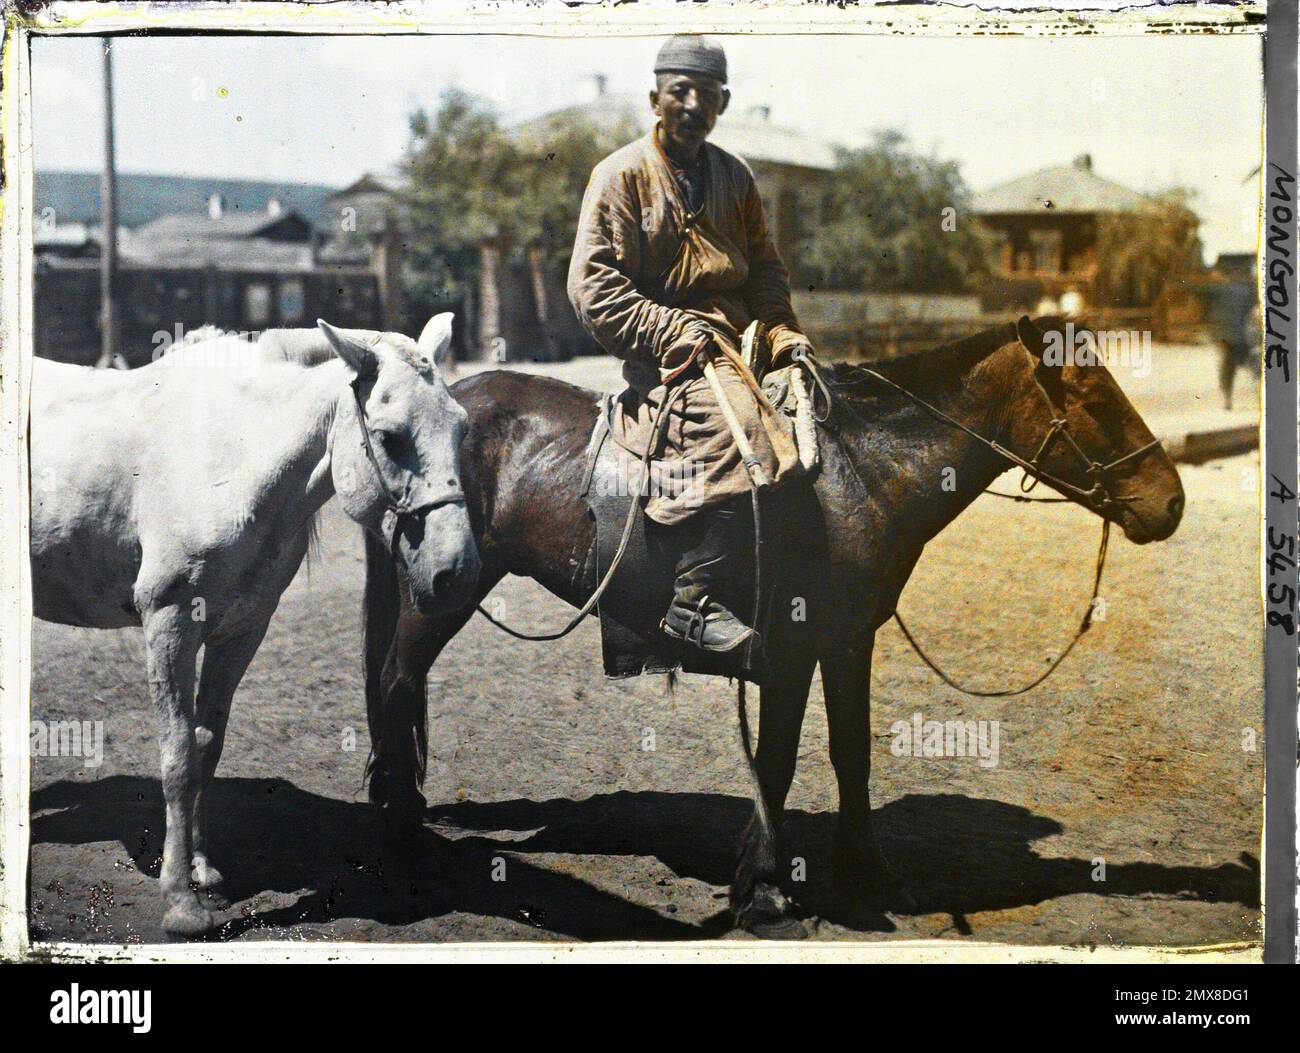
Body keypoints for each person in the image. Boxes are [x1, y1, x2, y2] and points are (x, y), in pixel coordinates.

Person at [567, 34, 813, 653]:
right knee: (743, 433)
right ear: (655, 98)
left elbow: (765, 271)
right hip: (666, 356)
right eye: (680, 91)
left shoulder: (735, 176)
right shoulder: (619, 175)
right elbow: (593, 286)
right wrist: (672, 328)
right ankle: (692, 602)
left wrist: (782, 330)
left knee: (817, 412)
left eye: (707, 95)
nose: (692, 105)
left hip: (735, 344)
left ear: (723, 104)